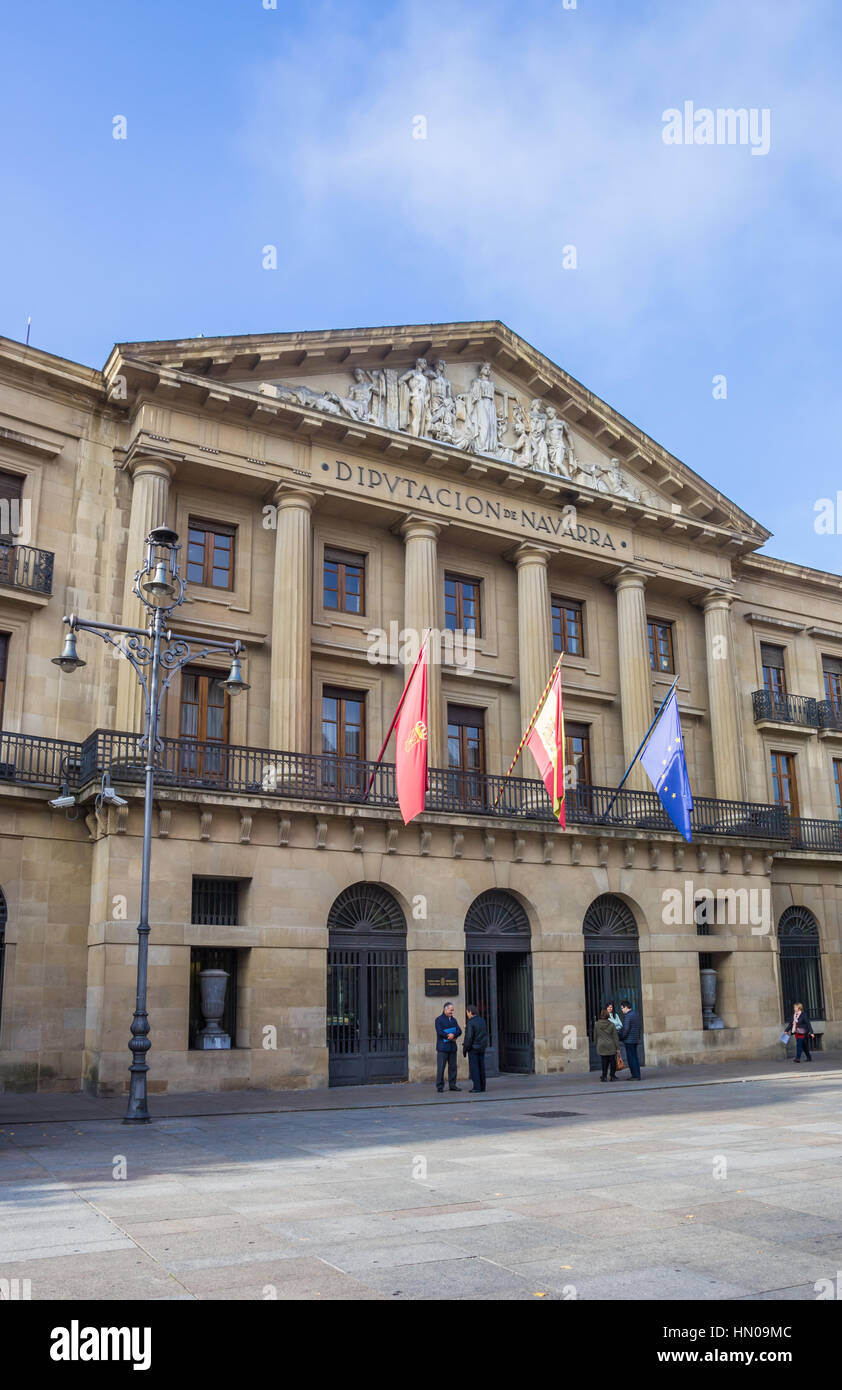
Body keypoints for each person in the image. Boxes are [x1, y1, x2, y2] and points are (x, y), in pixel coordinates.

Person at [435, 1002, 462, 1091]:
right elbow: (439, 1032)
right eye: (451, 1010)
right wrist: (448, 1036)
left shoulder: (454, 1020)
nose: (452, 1012)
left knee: (453, 1067)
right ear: (445, 1009)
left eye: (452, 1010)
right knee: (441, 1068)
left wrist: (453, 1035)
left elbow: (459, 1031)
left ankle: (452, 1085)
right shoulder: (438, 1020)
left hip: (452, 1048)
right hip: (443, 1048)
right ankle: (439, 1086)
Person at [462, 1004, 489, 1093]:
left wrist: (465, 1049)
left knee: (474, 1068)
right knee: (481, 1067)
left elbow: (469, 1038)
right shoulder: (482, 1021)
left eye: (467, 1012)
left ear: (470, 1012)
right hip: (481, 1048)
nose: (467, 1014)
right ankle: (482, 1087)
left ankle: (476, 1087)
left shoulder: (470, 1022)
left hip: (473, 1048)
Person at [618, 999, 643, 1079]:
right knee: (635, 1057)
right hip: (635, 1039)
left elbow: (626, 1029)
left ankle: (635, 1076)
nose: (622, 1010)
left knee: (631, 1059)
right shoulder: (636, 1014)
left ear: (625, 1007)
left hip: (629, 1040)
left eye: (622, 1008)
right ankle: (637, 1075)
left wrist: (621, 1037)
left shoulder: (628, 1016)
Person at [595, 1007, 619, 1082]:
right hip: (611, 1045)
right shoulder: (612, 1025)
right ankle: (612, 1076)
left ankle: (604, 1076)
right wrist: (618, 1048)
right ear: (608, 1016)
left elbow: (595, 1036)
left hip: (601, 1045)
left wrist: (597, 1044)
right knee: (612, 1061)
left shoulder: (597, 1024)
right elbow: (615, 1037)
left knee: (604, 1061)